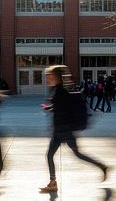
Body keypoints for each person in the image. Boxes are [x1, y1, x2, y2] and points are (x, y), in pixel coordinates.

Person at [39, 65, 108, 193]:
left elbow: (64, 109)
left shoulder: (60, 91)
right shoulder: (58, 90)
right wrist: (51, 107)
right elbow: (61, 108)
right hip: (62, 130)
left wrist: (51, 108)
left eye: (49, 76)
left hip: (62, 131)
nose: (47, 79)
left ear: (56, 77)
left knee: (52, 155)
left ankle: (53, 182)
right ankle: (101, 166)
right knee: (75, 154)